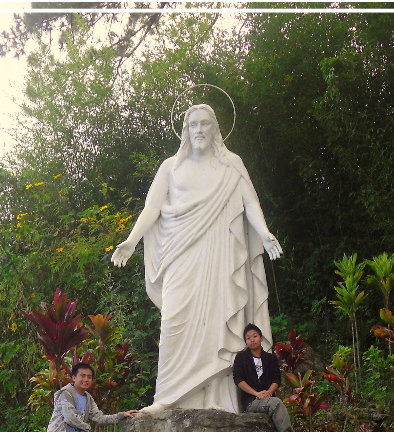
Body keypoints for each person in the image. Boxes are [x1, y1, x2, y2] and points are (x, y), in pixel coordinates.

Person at [111, 103, 281, 413]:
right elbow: (152, 207)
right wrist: (131, 240)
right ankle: (167, 398)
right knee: (174, 320)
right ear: (186, 131)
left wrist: (265, 233)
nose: (199, 129)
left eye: (205, 123)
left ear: (215, 129)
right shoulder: (171, 167)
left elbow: (251, 203)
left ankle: (221, 399)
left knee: (218, 320)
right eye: (194, 125)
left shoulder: (231, 165)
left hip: (220, 255)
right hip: (181, 254)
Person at [232, 323, 313, 432]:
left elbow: (277, 379)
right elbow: (238, 379)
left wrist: (268, 392)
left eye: (255, 336)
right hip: (252, 402)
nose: (252, 340)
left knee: (274, 402)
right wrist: (256, 394)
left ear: (261, 338)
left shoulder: (270, 358)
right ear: (245, 342)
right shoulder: (241, 357)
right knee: (276, 403)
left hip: (269, 399)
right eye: (248, 338)